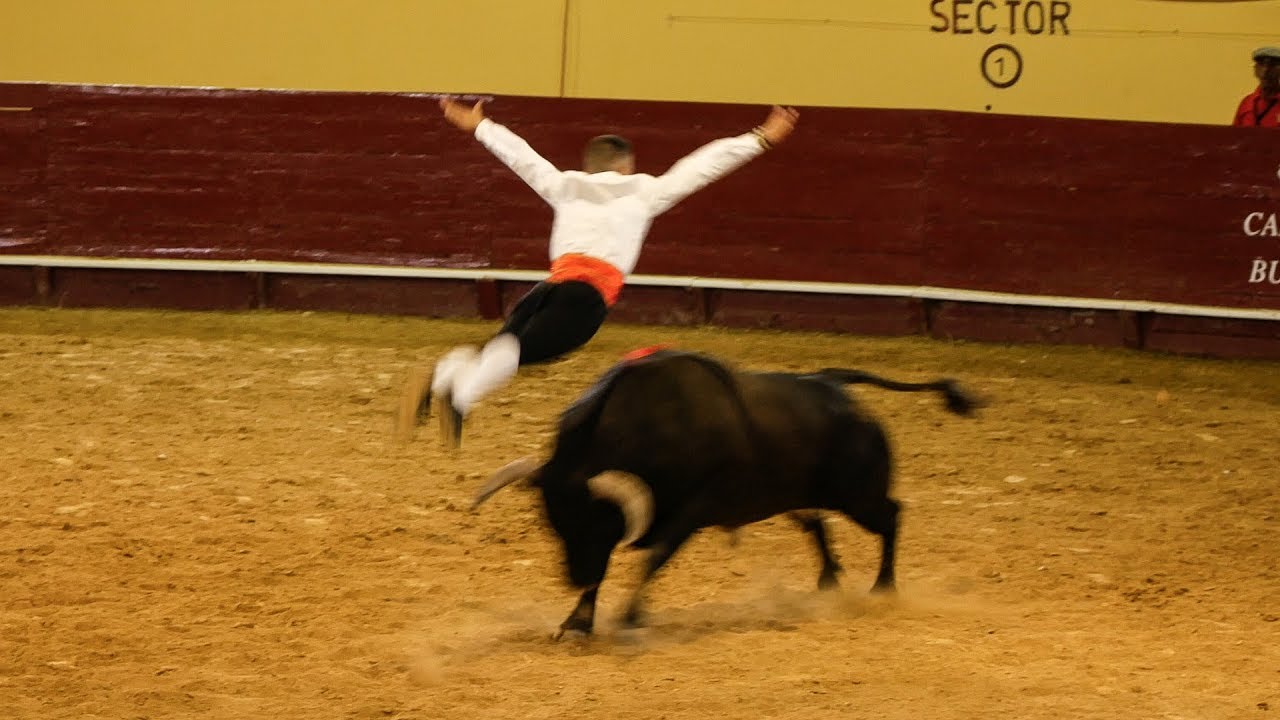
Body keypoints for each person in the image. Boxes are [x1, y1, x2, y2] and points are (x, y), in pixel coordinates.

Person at [396, 98, 800, 446]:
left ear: (589, 167)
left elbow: (522, 157)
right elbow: (701, 166)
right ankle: (460, 395)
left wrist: (481, 125)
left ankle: (446, 374)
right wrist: (760, 137)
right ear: (626, 167)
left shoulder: (565, 185)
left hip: (548, 289)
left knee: (507, 347)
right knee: (521, 353)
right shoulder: (645, 192)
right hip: (587, 297)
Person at [1233, 46, 1280, 128]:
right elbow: (1234, 136)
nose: (1266, 70)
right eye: (1261, 64)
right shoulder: (1247, 103)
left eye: (1272, 65)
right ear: (1255, 70)